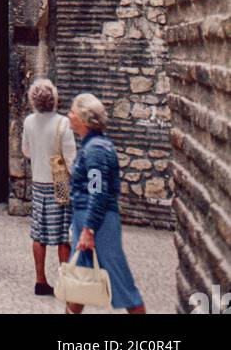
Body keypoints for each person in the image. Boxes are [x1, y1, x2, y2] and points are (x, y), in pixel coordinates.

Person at [65, 93, 145, 314]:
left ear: (83, 118)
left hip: (98, 223)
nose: (69, 115)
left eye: (72, 111)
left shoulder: (96, 150)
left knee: (120, 281)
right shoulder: (96, 145)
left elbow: (98, 193)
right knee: (78, 281)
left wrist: (89, 229)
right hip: (90, 220)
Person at [22, 77, 76, 295]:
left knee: (39, 233)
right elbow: (71, 158)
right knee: (63, 235)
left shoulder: (28, 122)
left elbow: (26, 151)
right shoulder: (63, 123)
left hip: (38, 180)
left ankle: (40, 279)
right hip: (60, 180)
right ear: (53, 98)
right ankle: (65, 282)